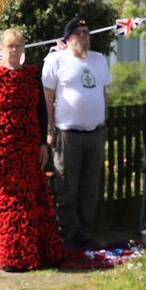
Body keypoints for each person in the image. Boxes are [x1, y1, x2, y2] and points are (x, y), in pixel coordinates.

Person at [0, 28, 57, 271]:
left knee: (33, 198)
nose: (14, 51)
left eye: (18, 46)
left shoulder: (33, 75)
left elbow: (41, 110)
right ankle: (12, 257)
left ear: (24, 49)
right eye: (10, 47)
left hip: (29, 147)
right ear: (1, 51)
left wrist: (43, 143)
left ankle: (38, 254)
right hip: (5, 149)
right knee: (10, 202)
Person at [43, 17, 112, 247]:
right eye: (79, 32)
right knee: (66, 187)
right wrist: (49, 129)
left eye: (86, 32)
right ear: (68, 38)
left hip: (94, 132)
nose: (84, 36)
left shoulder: (99, 60)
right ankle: (68, 234)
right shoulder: (56, 60)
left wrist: (103, 117)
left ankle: (85, 232)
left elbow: (103, 92)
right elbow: (47, 98)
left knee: (90, 188)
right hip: (67, 134)